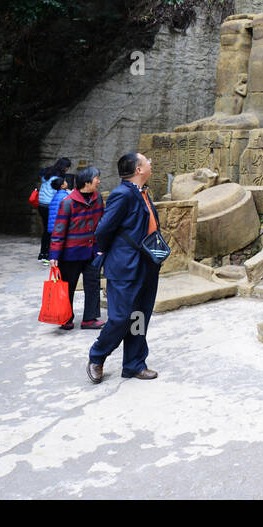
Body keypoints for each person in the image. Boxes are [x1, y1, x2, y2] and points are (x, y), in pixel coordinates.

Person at [87, 152, 160, 383]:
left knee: (139, 315)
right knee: (121, 317)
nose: (150, 163)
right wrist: (119, 253)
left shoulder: (143, 192)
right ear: (138, 169)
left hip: (147, 263)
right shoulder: (122, 194)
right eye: (146, 160)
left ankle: (134, 363)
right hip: (125, 266)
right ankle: (97, 356)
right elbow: (102, 230)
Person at [50, 167, 106, 332]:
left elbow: (102, 224)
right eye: (97, 178)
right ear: (87, 182)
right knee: (68, 286)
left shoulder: (98, 199)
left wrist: (101, 247)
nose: (99, 181)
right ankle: (66, 318)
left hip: (92, 252)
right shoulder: (68, 202)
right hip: (71, 253)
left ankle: (89, 319)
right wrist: (54, 255)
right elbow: (59, 230)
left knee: (93, 284)